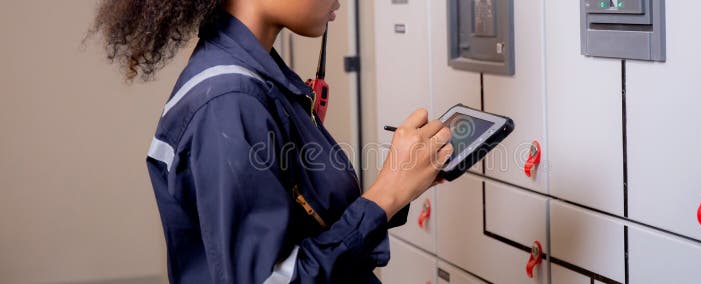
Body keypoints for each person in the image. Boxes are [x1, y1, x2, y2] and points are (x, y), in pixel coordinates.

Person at [89, 0, 454, 283]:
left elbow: (309, 222)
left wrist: (401, 185)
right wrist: (386, 194)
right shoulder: (230, 102)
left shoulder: (253, 78)